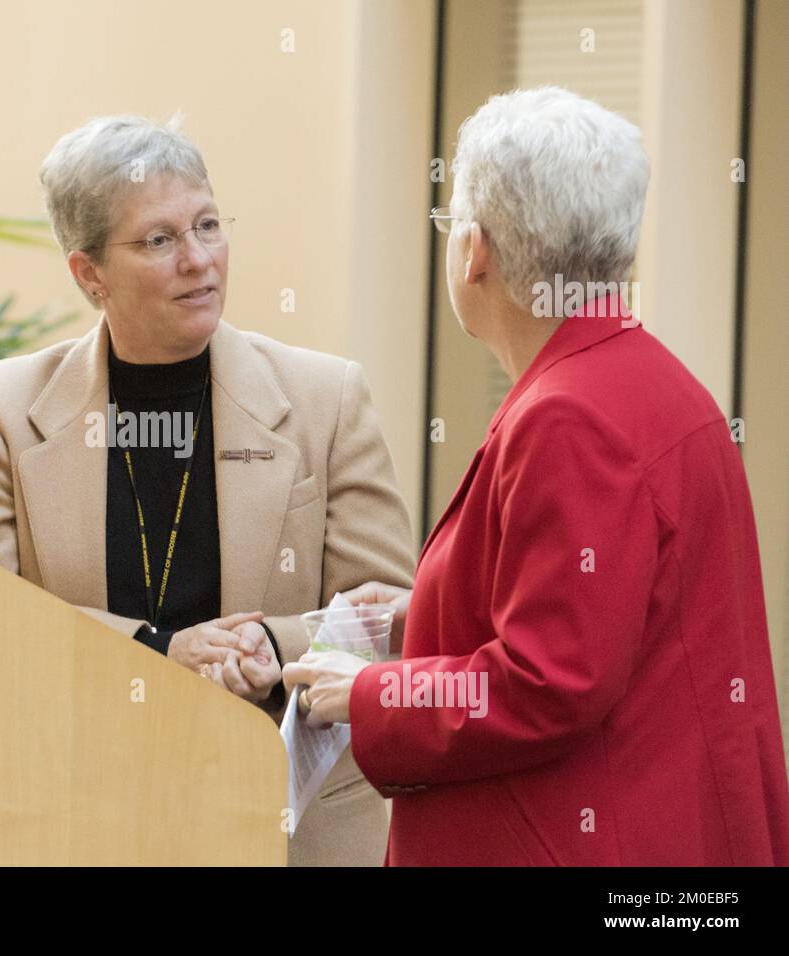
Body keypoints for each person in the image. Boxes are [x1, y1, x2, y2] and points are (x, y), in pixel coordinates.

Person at [284, 87, 789, 865]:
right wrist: (423, 617)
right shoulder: (641, 378)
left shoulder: (567, 417)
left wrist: (370, 693)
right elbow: (606, 616)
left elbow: (551, 681)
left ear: (474, 250)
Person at [0, 115, 416, 865]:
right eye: (159, 240)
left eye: (208, 225)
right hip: (75, 817)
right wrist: (156, 652)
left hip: (285, 820)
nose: (199, 260)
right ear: (88, 272)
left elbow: (393, 615)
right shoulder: (3, 414)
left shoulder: (325, 398)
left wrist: (271, 643)